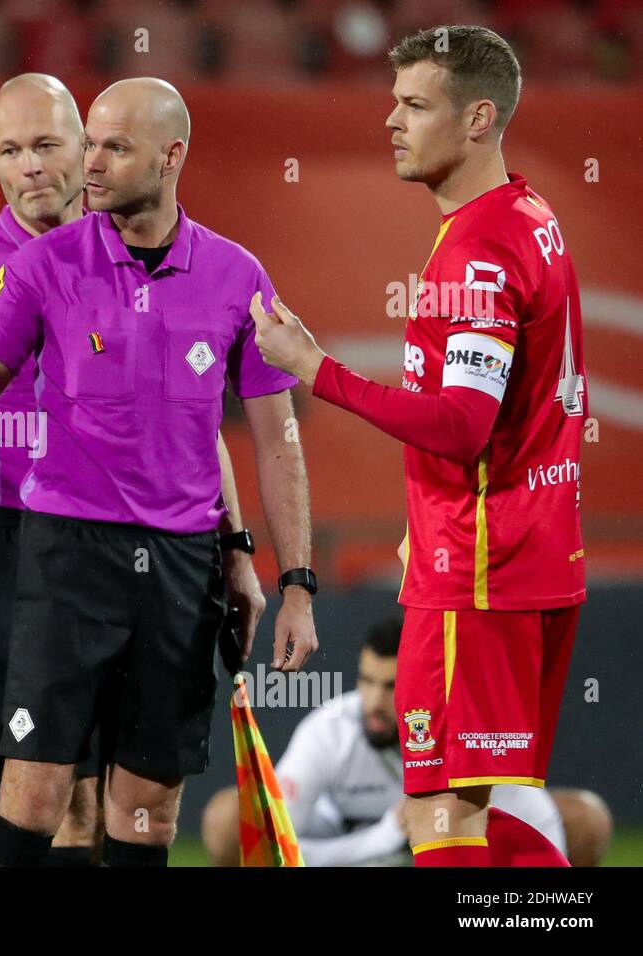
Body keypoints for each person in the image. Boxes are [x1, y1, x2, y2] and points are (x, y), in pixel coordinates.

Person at [0, 77, 318, 867]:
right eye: (91, 143)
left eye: (114, 146)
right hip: (66, 555)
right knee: (37, 796)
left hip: (181, 567)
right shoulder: (43, 265)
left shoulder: (238, 275)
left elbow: (275, 439)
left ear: (171, 156)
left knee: (147, 810)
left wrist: (291, 582)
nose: (91, 163)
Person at [250, 26, 588, 867]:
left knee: (437, 812)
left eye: (414, 104)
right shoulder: (529, 213)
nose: (390, 121)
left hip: (476, 570)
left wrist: (316, 369)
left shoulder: (476, 253)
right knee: (473, 808)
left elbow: (464, 427)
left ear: (478, 117)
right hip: (537, 556)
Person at [201, 618, 612, 866]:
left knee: (586, 820)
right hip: (352, 850)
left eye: (393, 687)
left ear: (424, 689)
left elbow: (544, 832)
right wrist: (384, 838)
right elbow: (276, 848)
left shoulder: (468, 734)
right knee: (228, 821)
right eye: (366, 681)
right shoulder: (331, 730)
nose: (375, 702)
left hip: (454, 857)